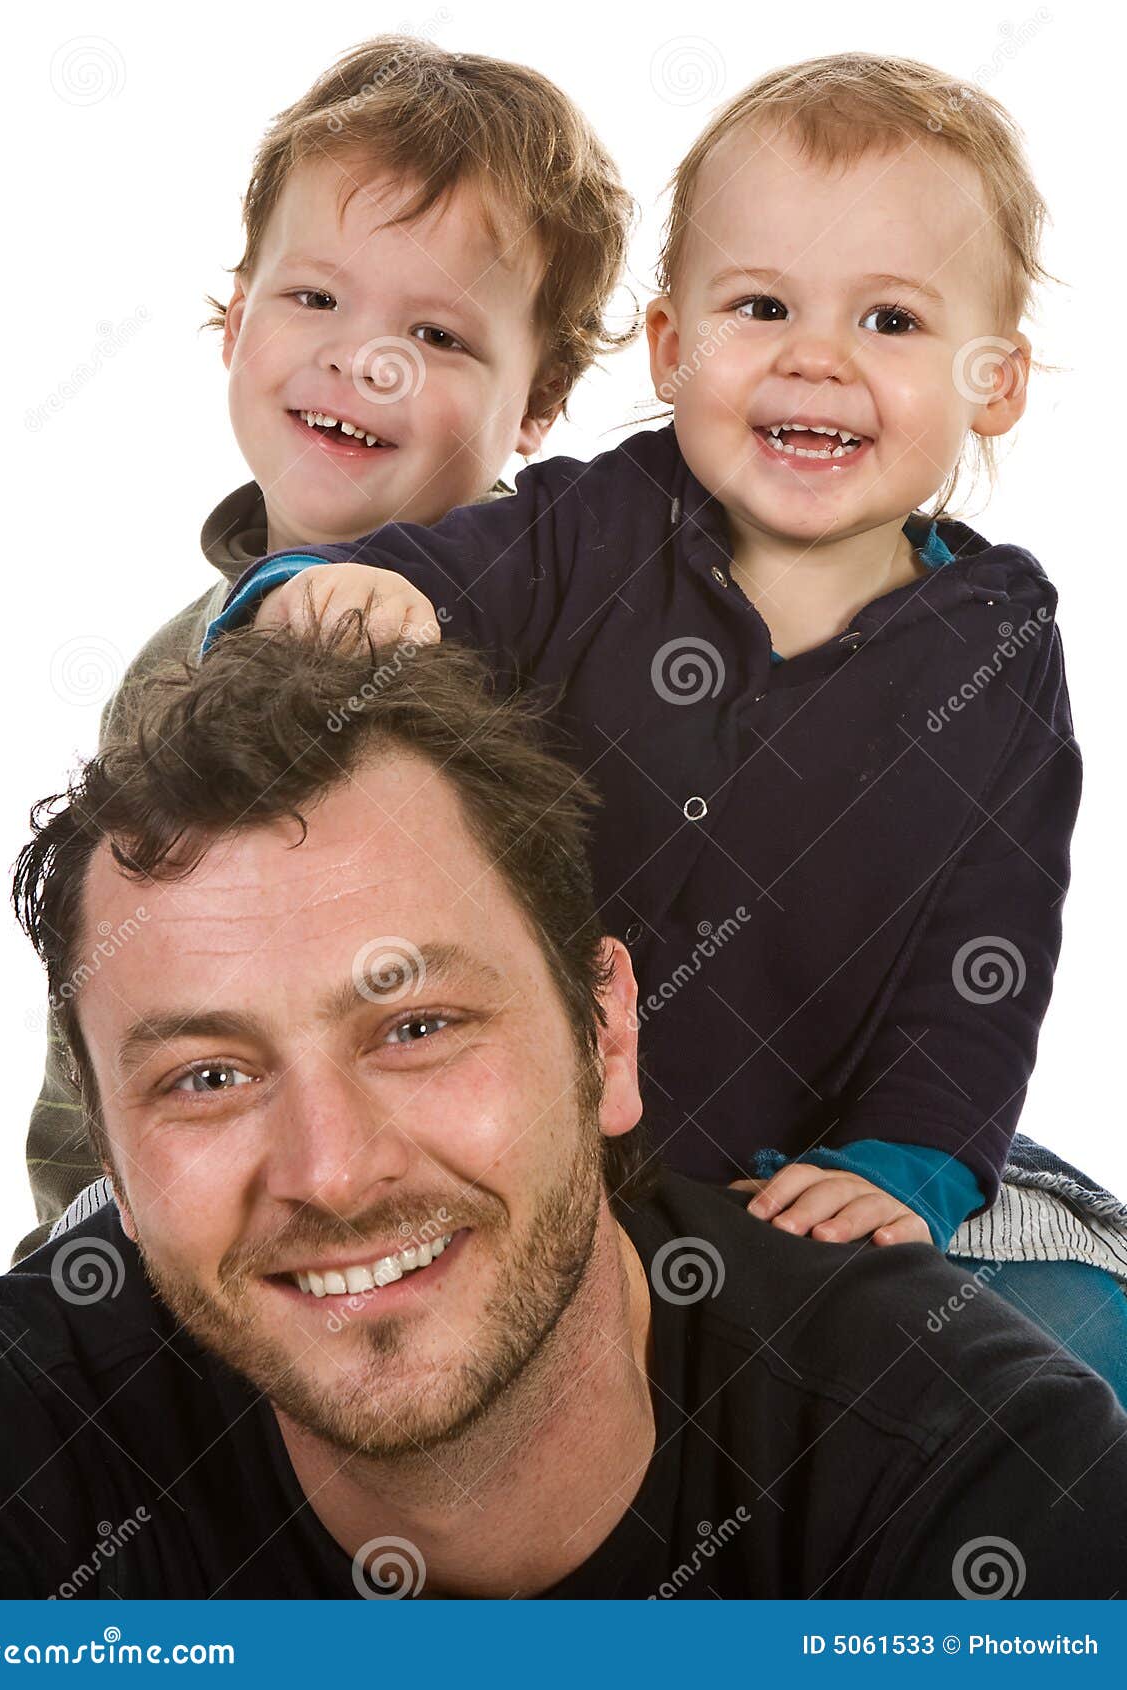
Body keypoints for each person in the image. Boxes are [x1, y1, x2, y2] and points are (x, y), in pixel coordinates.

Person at [198, 52, 1127, 1398]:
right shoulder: (596, 525)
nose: (816, 357)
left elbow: (990, 943)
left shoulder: (997, 648)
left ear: (995, 383)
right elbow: (439, 578)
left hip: (791, 1177)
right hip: (515, 1169)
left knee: (1073, 1346)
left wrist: (907, 1161)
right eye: (762, 307)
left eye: (891, 322)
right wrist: (334, 593)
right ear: (674, 348)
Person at [0, 618, 1126, 1600]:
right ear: (106, 1145)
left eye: (417, 1028)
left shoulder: (978, 1483)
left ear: (606, 1034)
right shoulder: (9, 1447)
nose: (332, 1170)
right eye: (207, 1078)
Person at [16, 33, 635, 1261]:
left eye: (444, 337)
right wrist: (82, 1251)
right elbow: (107, 1017)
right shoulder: (170, 674)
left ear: (541, 402)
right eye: (315, 298)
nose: (368, 356)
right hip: (266, 1209)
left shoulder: (583, 639)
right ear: (238, 316)